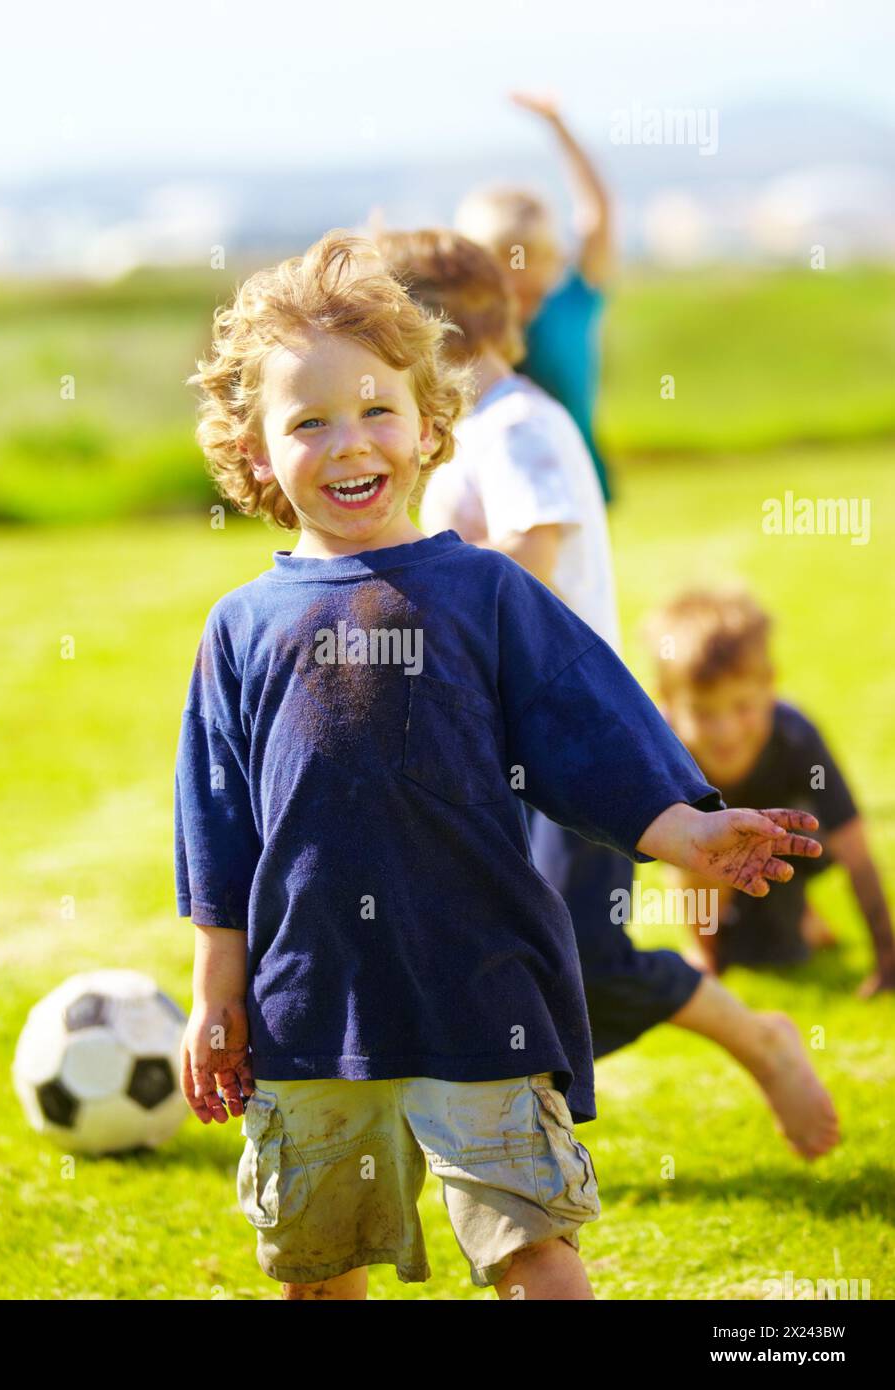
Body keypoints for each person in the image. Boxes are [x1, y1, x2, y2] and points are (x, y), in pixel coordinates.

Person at [174, 228, 826, 1302]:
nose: (350, 443)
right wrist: (216, 994)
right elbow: (215, 827)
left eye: (377, 408)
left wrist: (684, 829)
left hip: (481, 990)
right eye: (308, 422)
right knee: (316, 1262)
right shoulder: (239, 628)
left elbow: (587, 728)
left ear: (431, 424)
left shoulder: (483, 592)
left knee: (531, 1248)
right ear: (253, 453)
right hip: (310, 1003)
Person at [378, 225, 840, 1166]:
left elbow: (527, 572)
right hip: (497, 749)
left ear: (433, 345)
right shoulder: (476, 434)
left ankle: (761, 1042)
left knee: (585, 957)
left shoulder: (517, 430)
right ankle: (478, 1147)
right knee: (499, 951)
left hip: (566, 746)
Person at [646, 590, 895, 994]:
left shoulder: (796, 735)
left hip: (789, 843)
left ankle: (798, 913)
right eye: (705, 713)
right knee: (698, 853)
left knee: (784, 952)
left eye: (742, 706)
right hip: (703, 855)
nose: (726, 731)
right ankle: (707, 953)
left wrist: (888, 959)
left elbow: (854, 849)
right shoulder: (661, 743)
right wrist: (707, 957)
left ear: (769, 686)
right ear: (668, 701)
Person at [454, 92, 616, 501]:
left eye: (528, 290)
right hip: (493, 474)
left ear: (550, 264)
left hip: (575, 468)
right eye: (503, 290)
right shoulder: (469, 328)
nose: (517, 305)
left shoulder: (573, 301)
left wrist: (558, 124)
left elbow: (599, 212)